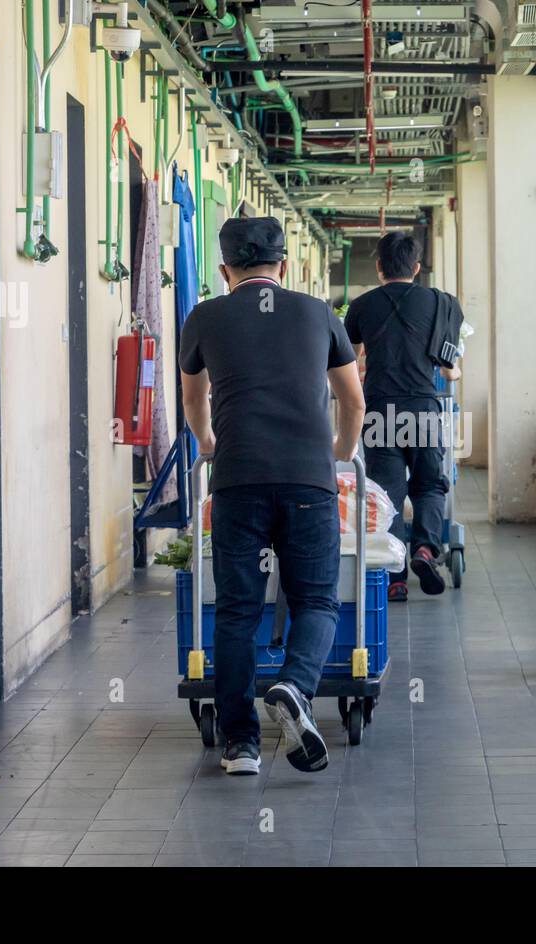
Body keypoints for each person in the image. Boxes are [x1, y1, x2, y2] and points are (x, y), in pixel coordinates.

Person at [179, 217, 365, 777]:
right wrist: (337, 454)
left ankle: (240, 746)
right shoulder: (318, 313)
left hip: (236, 479)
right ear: (283, 266)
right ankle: (294, 686)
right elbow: (353, 403)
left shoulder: (204, 318)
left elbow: (194, 402)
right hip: (309, 478)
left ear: (223, 270)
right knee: (316, 600)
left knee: (236, 610)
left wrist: (210, 443)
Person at [344, 231, 462, 603]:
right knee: (428, 485)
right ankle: (425, 550)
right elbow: (449, 371)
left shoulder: (361, 306)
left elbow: (347, 361)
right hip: (424, 409)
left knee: (387, 491)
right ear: (416, 267)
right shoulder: (442, 304)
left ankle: (393, 574)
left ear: (379, 267)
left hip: (379, 409)